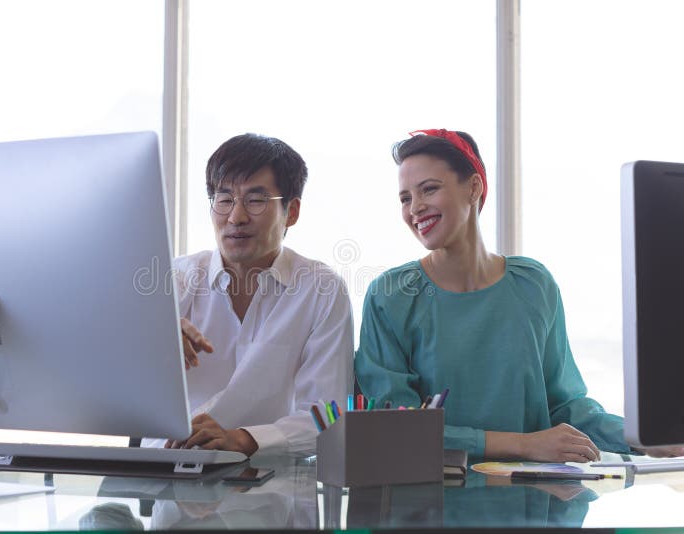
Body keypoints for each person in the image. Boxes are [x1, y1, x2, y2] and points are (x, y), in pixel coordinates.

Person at [354, 128, 684, 461]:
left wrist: (644, 439)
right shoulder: (391, 296)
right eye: (405, 198)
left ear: (474, 188)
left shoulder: (533, 284)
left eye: (429, 189)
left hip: (536, 501)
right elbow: (397, 427)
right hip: (431, 503)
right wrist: (523, 444)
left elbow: (566, 407)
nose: (415, 208)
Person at [143, 133, 353, 457]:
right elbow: (105, 378)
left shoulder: (321, 290)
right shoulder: (171, 280)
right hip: (166, 469)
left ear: (292, 211)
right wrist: (148, 341)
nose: (236, 217)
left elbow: (327, 415)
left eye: (255, 201)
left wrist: (242, 440)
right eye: (224, 199)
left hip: (271, 485)